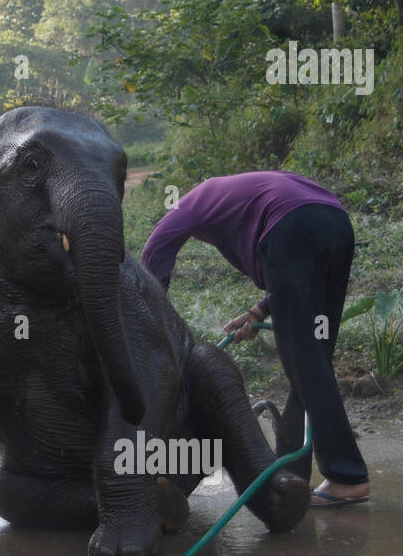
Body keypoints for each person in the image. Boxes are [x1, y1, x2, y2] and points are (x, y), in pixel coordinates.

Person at [139, 170, 370, 508]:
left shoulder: (192, 201)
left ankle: (348, 476)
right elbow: (297, 279)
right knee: (312, 363)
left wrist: (150, 322)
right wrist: (258, 312)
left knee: (305, 363)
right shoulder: (241, 195)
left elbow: (159, 243)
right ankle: (290, 474)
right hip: (334, 224)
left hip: (292, 229)